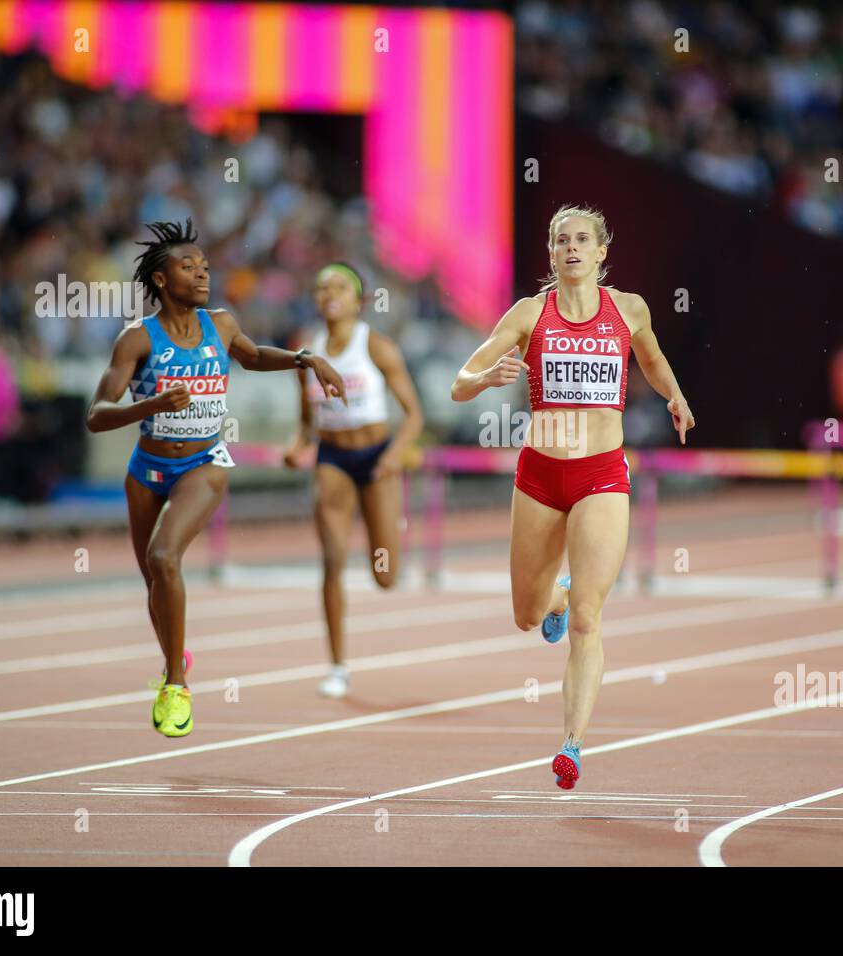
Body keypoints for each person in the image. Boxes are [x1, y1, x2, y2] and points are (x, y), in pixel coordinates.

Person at [451, 205, 694, 789]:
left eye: (583, 239)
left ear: (602, 251)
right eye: (562, 240)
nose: (572, 248)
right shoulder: (529, 314)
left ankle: (572, 745)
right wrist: (485, 379)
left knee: (591, 616)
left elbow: (654, 362)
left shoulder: (628, 309)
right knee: (526, 614)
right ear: (551, 252)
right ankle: (552, 600)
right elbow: (460, 383)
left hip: (601, 476)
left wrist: (676, 397)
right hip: (539, 476)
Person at [86, 219, 345, 738]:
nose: (202, 274)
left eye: (205, 266)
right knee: (153, 580)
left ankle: (175, 683)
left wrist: (304, 357)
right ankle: (174, 651)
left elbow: (251, 357)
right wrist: (153, 404)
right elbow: (97, 413)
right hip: (146, 471)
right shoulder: (137, 339)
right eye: (189, 267)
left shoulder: (221, 325)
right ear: (161, 280)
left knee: (164, 558)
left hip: (203, 464)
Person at [283, 263, 424, 698]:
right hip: (333, 459)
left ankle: (390, 526)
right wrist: (296, 445)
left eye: (339, 286)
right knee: (333, 558)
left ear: (358, 299)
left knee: (385, 575)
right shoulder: (307, 354)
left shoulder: (377, 347)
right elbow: (306, 421)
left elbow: (415, 415)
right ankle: (338, 666)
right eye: (322, 286)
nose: (329, 293)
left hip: (377, 458)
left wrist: (395, 456)